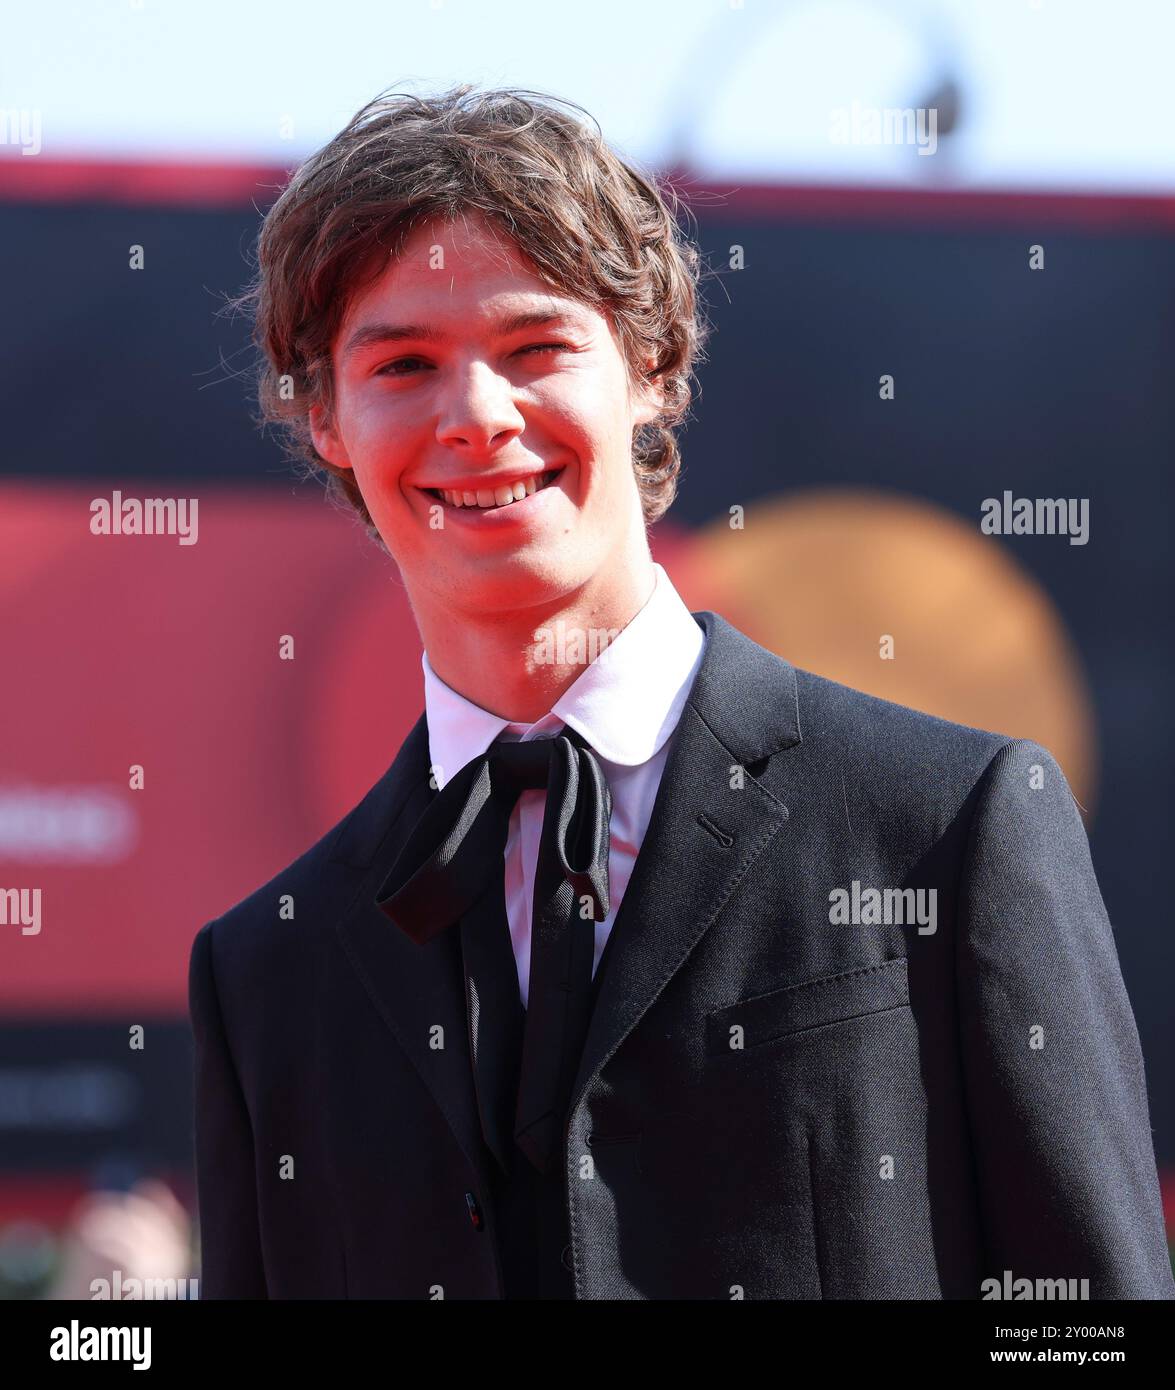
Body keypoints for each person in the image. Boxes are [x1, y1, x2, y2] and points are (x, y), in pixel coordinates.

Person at [188, 83, 1174, 1300]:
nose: (476, 416)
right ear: (326, 417)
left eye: (534, 346)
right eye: (403, 362)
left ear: (649, 365)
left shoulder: (946, 824)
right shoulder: (263, 974)